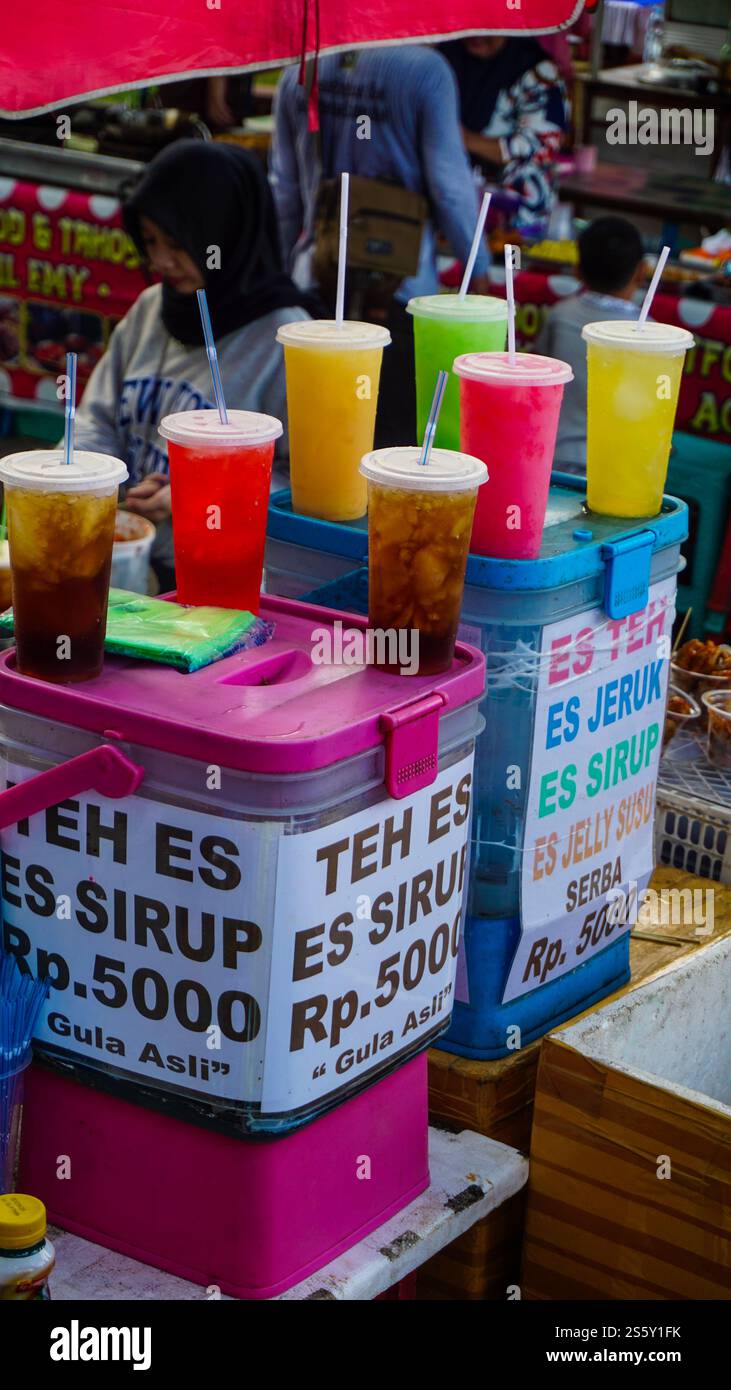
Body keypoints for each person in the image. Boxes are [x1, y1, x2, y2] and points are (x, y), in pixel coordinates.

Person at [73, 140, 313, 590]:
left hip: (219, 582)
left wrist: (195, 493)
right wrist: (102, 486)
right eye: (150, 242)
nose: (161, 262)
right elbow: (95, 419)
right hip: (122, 561)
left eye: (179, 244)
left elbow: (304, 488)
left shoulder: (287, 340)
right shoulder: (151, 309)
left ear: (223, 233)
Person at [270, 46, 491, 445]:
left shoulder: (300, 70)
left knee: (320, 435)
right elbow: (448, 183)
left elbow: (284, 188)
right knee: (389, 444)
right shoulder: (426, 69)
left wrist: (282, 275)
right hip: (400, 286)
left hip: (314, 283)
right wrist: (476, 264)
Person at [535, 216, 646, 473]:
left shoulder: (561, 315)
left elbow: (538, 377)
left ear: (577, 270)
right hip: (617, 467)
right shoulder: (649, 331)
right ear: (641, 271)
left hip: (555, 457)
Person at [440, 37, 569, 233]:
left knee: (509, 263)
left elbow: (540, 144)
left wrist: (465, 140)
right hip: (451, 201)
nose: (477, 36)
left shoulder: (539, 72)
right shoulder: (445, 58)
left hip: (517, 210)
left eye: (487, 28)